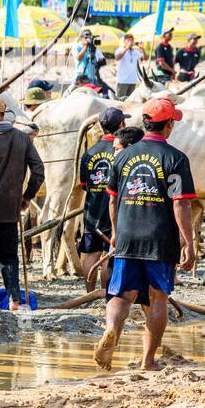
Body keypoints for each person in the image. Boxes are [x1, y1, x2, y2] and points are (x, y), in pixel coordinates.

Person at [94, 98, 196, 372]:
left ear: (145, 122)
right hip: (160, 238)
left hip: (127, 235)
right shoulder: (175, 158)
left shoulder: (123, 156)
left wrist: (115, 234)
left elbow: (113, 201)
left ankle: (112, 329)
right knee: (158, 297)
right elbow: (181, 203)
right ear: (170, 124)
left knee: (121, 294)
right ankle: (148, 361)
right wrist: (189, 242)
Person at [0, 94, 44, 311]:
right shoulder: (23, 139)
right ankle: (14, 300)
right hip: (10, 212)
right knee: (9, 259)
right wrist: (26, 197)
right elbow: (38, 171)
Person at [76, 107, 128, 280]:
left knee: (91, 254)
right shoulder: (122, 152)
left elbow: (84, 185)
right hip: (114, 211)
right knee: (109, 254)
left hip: (92, 211)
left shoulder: (89, 153)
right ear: (122, 124)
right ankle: (105, 294)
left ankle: (89, 294)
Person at [114, 32, 144, 100]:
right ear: (124, 41)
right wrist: (126, 48)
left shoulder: (136, 51)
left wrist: (142, 49)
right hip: (122, 81)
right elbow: (117, 58)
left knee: (130, 102)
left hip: (133, 81)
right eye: (128, 40)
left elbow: (144, 58)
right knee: (119, 101)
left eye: (131, 40)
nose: (130, 42)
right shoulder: (120, 49)